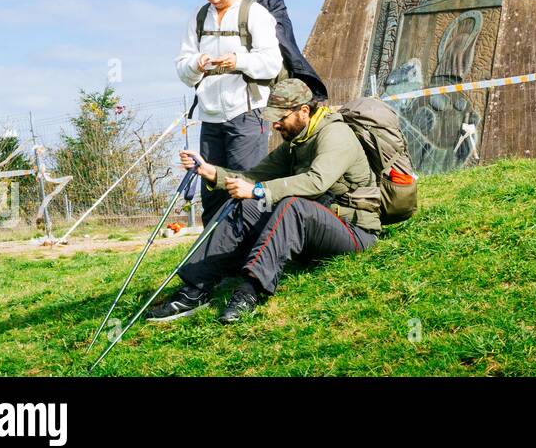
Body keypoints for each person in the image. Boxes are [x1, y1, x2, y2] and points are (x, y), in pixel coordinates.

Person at [147, 79, 380, 323]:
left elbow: (316, 181)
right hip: (311, 231)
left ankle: (249, 293)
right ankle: (195, 290)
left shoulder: (335, 133)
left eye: (281, 117)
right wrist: (210, 172)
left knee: (291, 206)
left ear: (303, 111)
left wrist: (258, 191)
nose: (276, 124)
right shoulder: (296, 142)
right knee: (245, 204)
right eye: (272, 117)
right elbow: (253, 176)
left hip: (353, 231)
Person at [175, 0, 283, 224]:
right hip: (210, 118)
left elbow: (272, 62)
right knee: (211, 191)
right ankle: (212, 258)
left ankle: (248, 252)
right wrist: (195, 64)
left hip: (247, 114)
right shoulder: (198, 18)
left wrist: (238, 60)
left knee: (244, 186)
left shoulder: (254, 13)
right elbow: (182, 68)